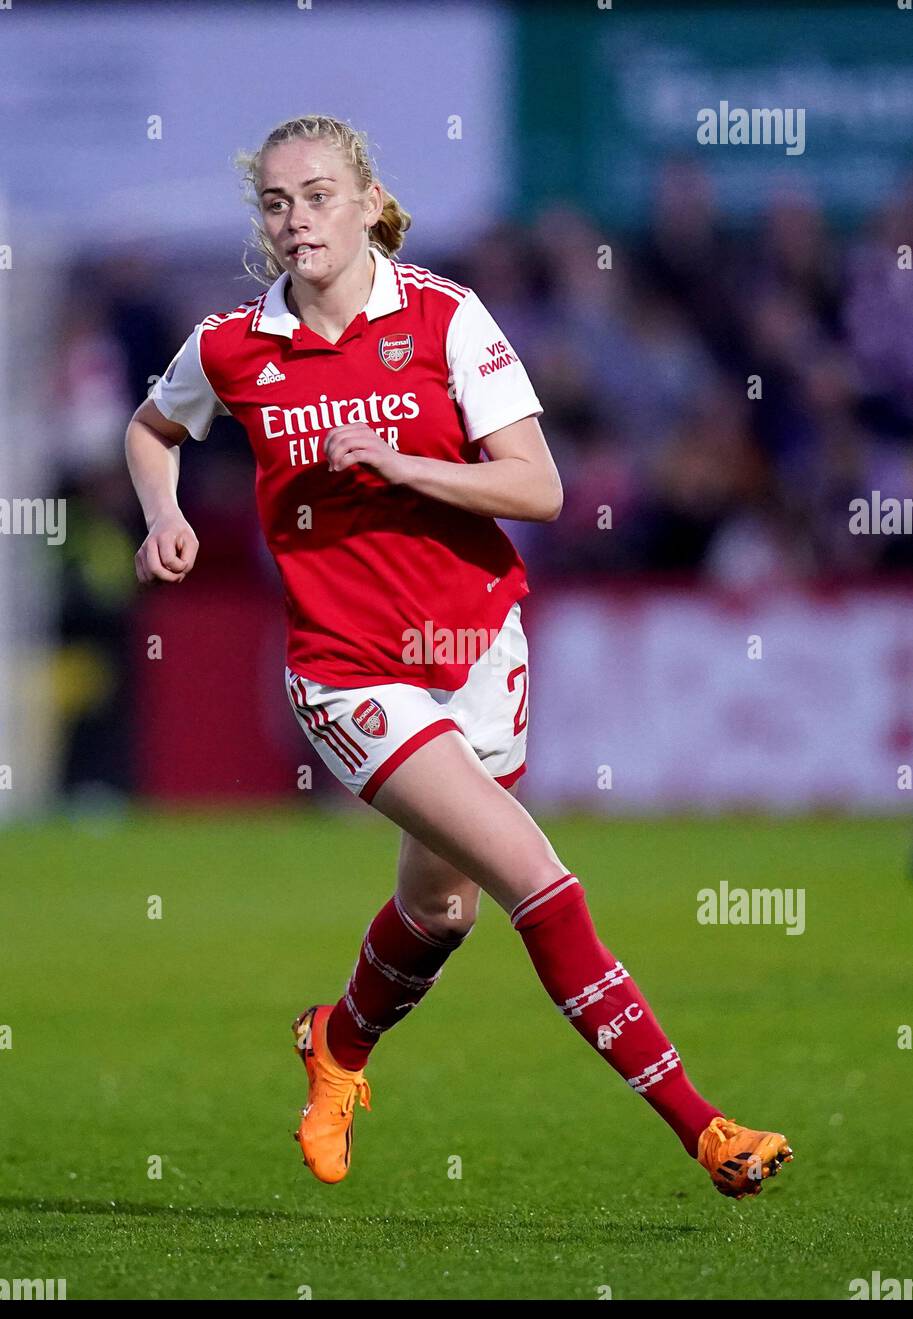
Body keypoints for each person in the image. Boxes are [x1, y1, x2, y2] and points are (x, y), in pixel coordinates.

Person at [124, 114, 793, 1200]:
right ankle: (705, 1129)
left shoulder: (441, 317)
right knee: (538, 879)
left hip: (478, 649)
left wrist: (398, 463)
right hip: (348, 669)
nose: (299, 220)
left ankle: (335, 1042)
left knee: (442, 913)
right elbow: (151, 429)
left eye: (319, 195)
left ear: (365, 198)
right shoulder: (229, 345)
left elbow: (538, 487)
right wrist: (162, 513)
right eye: (277, 202)